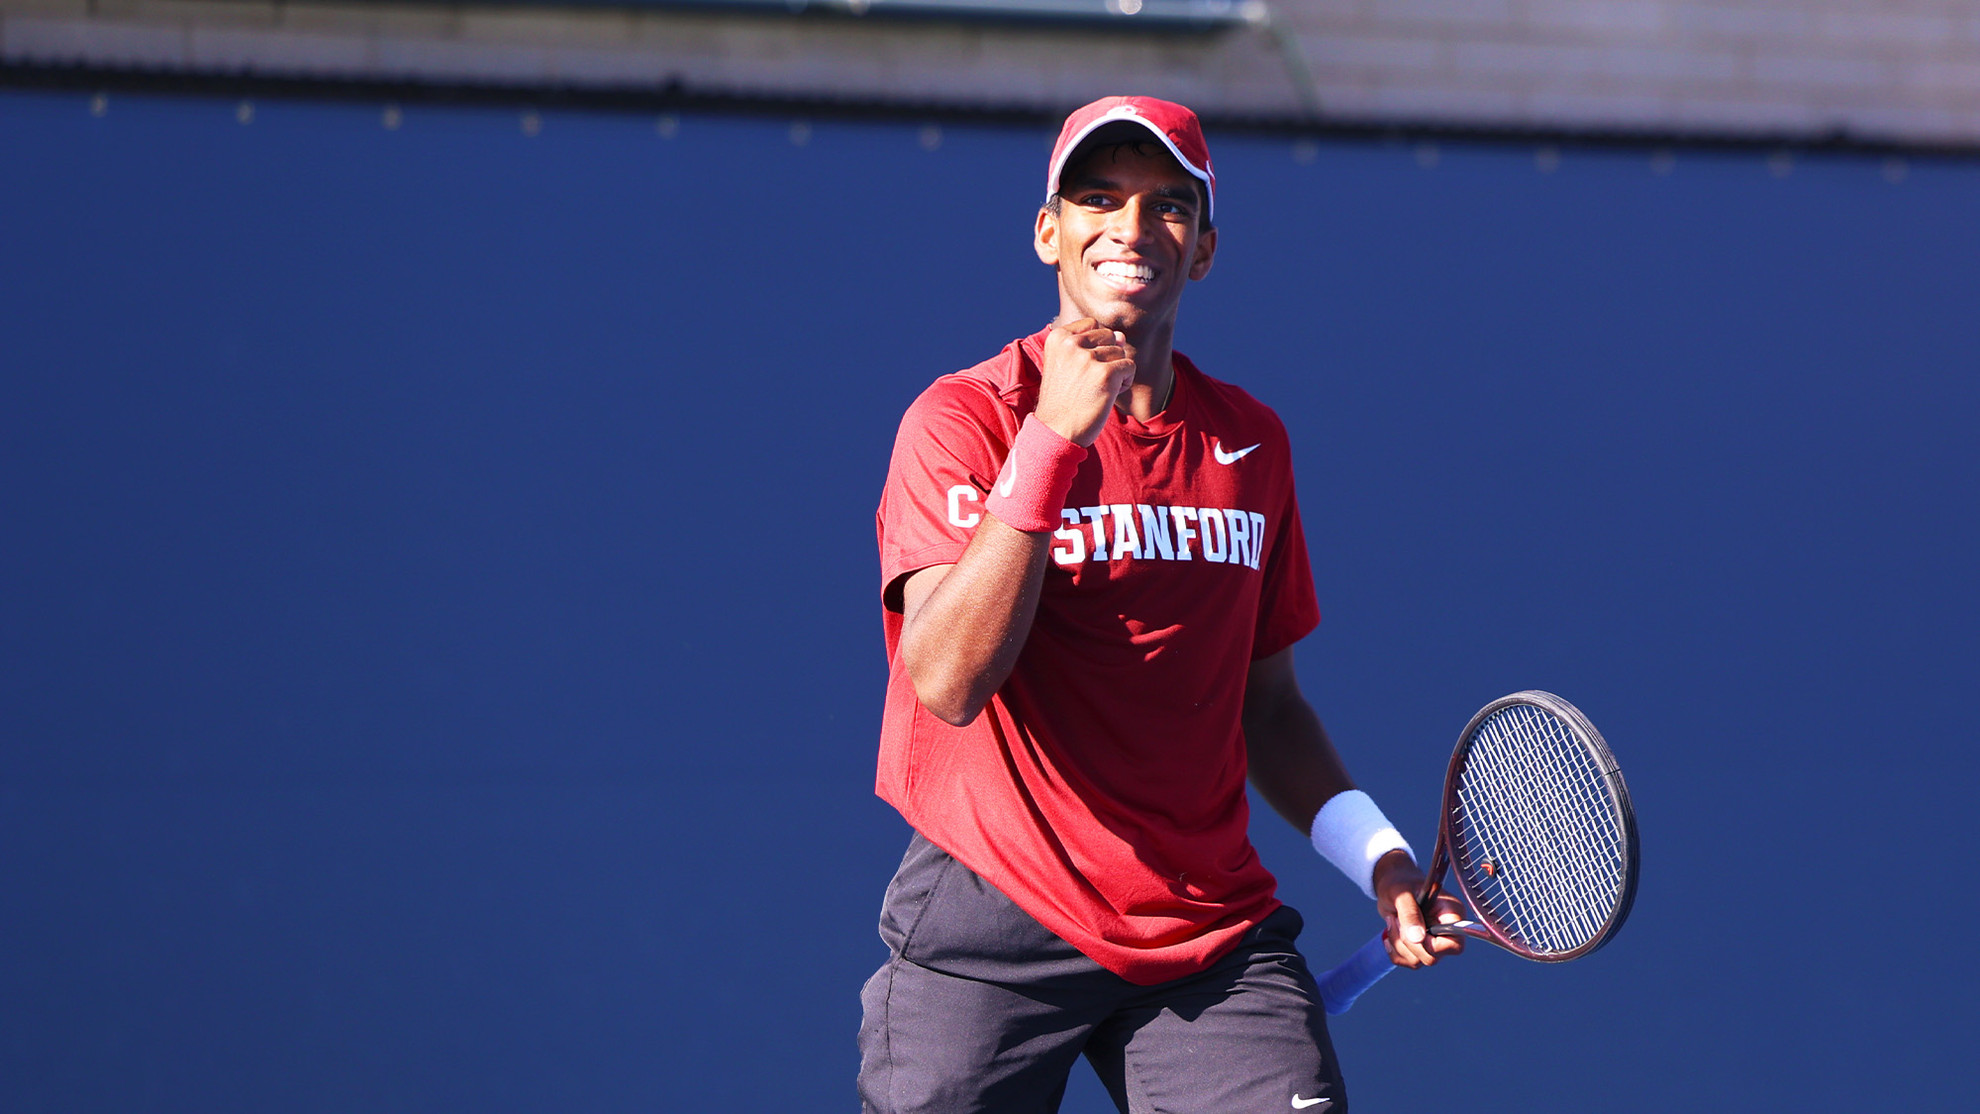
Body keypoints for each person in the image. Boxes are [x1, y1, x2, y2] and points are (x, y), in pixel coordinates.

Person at [859, 95, 1462, 1114]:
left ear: (1206, 248)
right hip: (993, 912)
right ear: (1050, 232)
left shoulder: (1251, 443)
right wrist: (1050, 443)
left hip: (1203, 932)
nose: (1131, 230)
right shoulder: (961, 419)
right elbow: (948, 679)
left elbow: (1268, 708)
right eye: (1098, 198)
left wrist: (1383, 859)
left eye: (1167, 207)